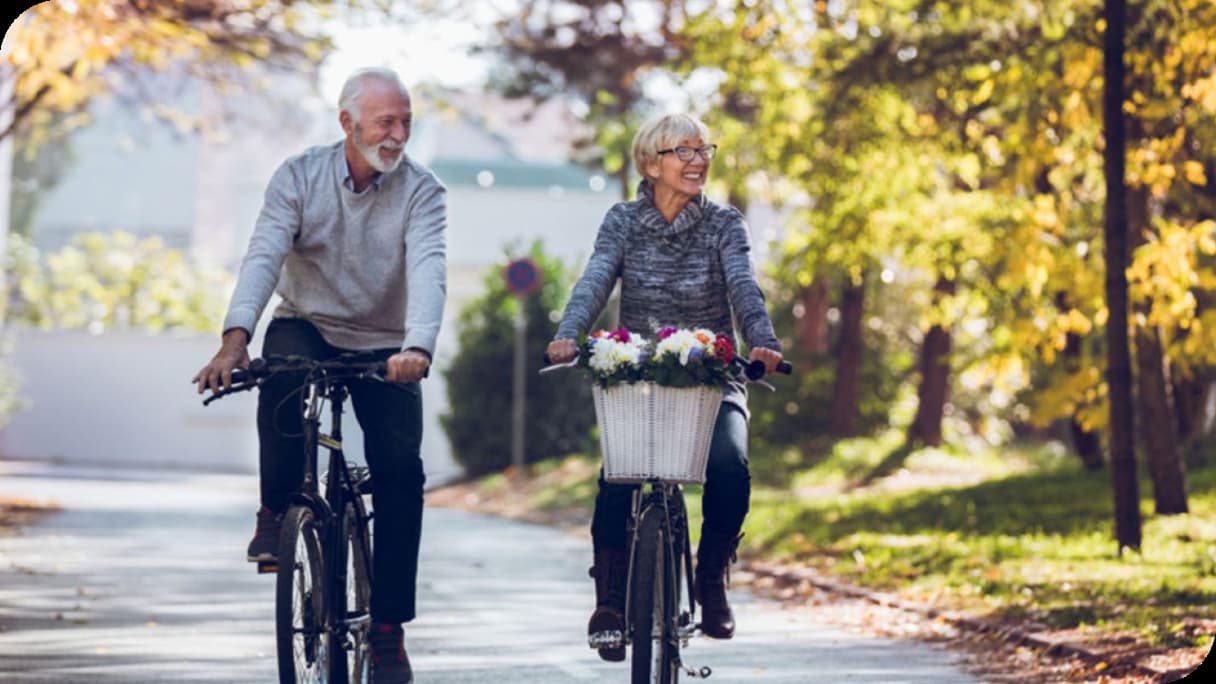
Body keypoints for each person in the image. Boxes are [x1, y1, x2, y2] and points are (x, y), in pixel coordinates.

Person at [192, 66, 445, 684]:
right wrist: (235, 339)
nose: (397, 134)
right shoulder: (299, 177)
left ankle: (388, 629)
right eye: (386, 121)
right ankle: (277, 510)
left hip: (386, 343)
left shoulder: (423, 191)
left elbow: (431, 269)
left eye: (405, 121)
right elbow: (264, 254)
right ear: (347, 124)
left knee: (400, 473)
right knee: (280, 374)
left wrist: (417, 347)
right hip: (308, 321)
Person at [546, 112, 784, 662]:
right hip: (640, 374)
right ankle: (609, 599)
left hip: (710, 374)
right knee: (620, 475)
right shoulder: (624, 221)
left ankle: (710, 577)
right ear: (651, 164)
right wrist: (568, 334)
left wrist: (762, 341)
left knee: (730, 466)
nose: (699, 159)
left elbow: (744, 287)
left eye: (705, 150)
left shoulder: (725, 224)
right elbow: (595, 277)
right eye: (685, 151)